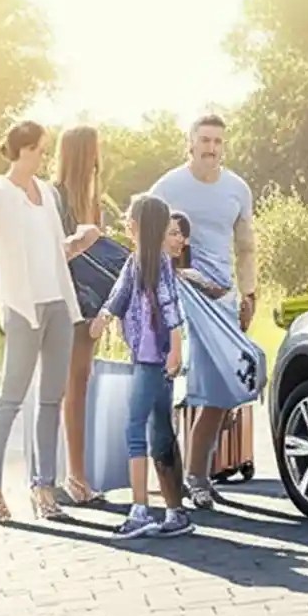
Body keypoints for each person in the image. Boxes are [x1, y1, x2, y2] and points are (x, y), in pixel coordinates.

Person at [0, 120, 99, 523]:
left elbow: (55, 250)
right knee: (10, 399)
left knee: (50, 400)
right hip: (22, 309)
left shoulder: (44, 193)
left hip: (59, 305)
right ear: (23, 150)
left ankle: (43, 487)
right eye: (41, 150)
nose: (45, 157)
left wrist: (79, 241)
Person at [149, 114, 257, 509]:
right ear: (191, 142)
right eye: (205, 140)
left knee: (219, 391)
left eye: (218, 142)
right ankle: (172, 477)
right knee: (173, 387)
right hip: (177, 297)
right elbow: (142, 232)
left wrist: (249, 294)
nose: (211, 147)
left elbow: (246, 247)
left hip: (222, 300)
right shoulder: (168, 186)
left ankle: (197, 475)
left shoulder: (237, 189)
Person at [89, 193, 195, 539]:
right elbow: (119, 294)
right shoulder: (139, 261)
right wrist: (103, 318)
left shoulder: (158, 264)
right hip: (152, 359)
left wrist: (176, 349)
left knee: (135, 428)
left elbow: (171, 307)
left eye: (129, 220)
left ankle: (140, 510)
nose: (125, 224)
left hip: (153, 361)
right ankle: (175, 512)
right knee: (160, 429)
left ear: (137, 226)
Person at [52, 124, 107, 506]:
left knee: (80, 384)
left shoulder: (95, 203)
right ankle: (65, 476)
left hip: (91, 305)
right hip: (61, 302)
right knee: (62, 386)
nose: (98, 161)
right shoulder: (53, 199)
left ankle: (76, 474)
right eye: (94, 152)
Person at [167, 211, 229, 299]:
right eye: (174, 234)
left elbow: (222, 297)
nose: (180, 240)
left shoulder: (193, 275)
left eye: (184, 235)